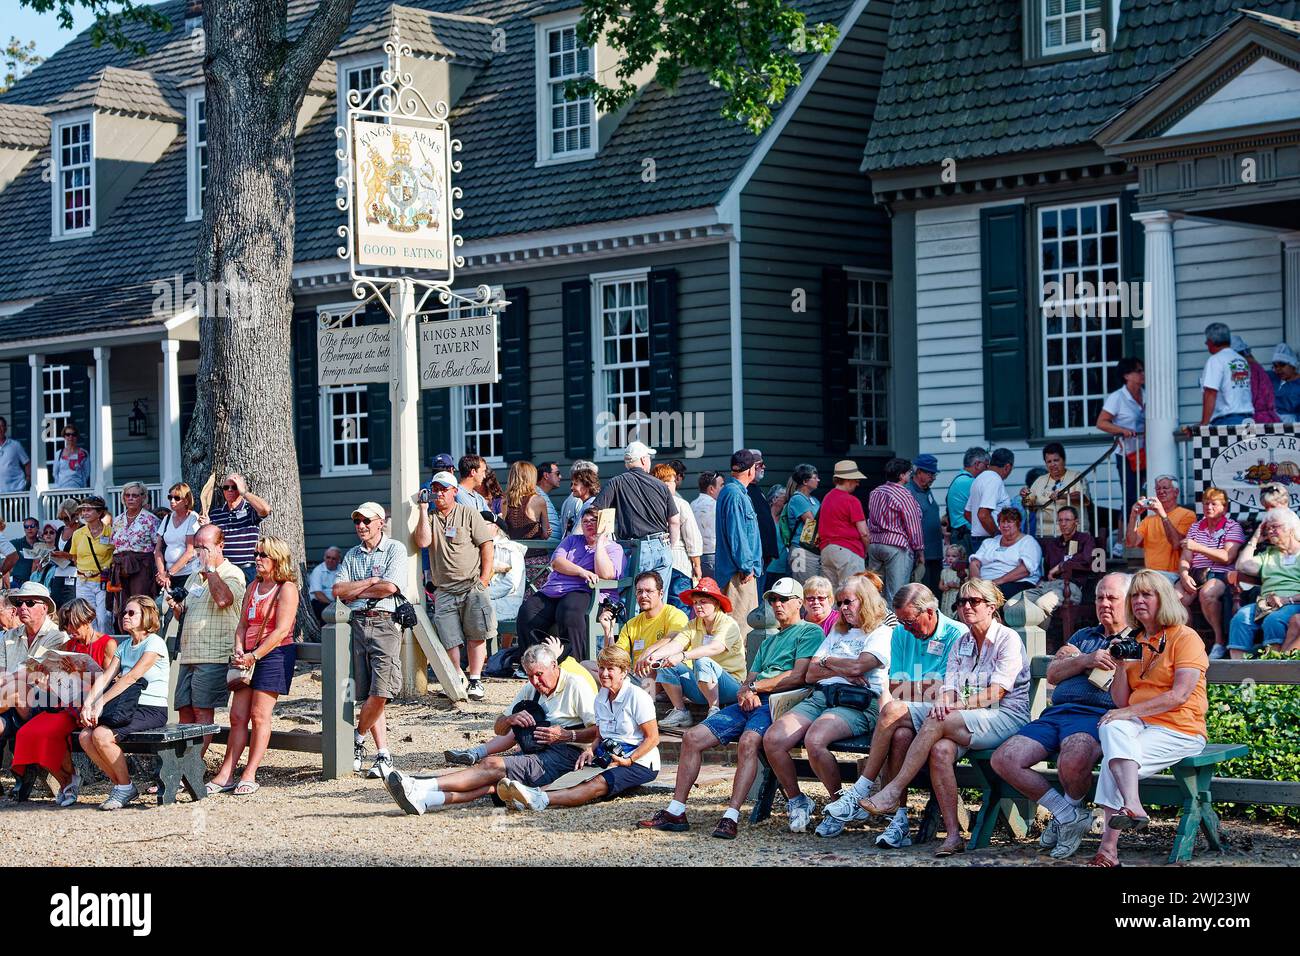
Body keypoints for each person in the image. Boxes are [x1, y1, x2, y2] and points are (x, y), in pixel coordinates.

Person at [638, 576, 822, 839]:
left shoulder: (809, 631)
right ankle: (676, 810)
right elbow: (750, 675)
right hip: (752, 699)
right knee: (692, 737)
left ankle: (731, 815)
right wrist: (747, 689)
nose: (776, 604)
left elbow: (798, 676)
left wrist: (756, 688)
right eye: (772, 599)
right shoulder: (769, 640)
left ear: (799, 603)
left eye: (783, 599)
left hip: (781, 702)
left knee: (748, 741)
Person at [860, 579, 1030, 856]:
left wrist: (953, 705)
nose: (966, 607)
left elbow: (997, 692)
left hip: (1004, 716)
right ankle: (953, 835)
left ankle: (893, 790)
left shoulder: (1006, 638)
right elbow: (949, 687)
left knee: (938, 720)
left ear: (991, 605)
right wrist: (944, 702)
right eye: (961, 602)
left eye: (973, 601)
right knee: (929, 741)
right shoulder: (962, 642)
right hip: (965, 717)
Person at [989, 572, 1132, 860]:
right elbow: (1054, 673)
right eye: (1099, 597)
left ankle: (1066, 815)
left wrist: (1073, 661)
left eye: (1112, 598)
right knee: (1003, 759)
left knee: (1075, 755)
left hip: (1096, 716)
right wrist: (1085, 660)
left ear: (1128, 601)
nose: (1104, 603)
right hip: (1055, 714)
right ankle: (1068, 815)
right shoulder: (1083, 636)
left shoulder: (1136, 642)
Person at [815, 582, 968, 842]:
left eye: (910, 622)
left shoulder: (956, 633)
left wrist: (912, 692)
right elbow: (897, 686)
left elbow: (948, 690)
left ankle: (860, 789)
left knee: (891, 711)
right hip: (911, 712)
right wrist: (915, 690)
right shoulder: (900, 633)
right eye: (902, 622)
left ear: (930, 612)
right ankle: (899, 820)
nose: (906, 628)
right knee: (899, 735)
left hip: (945, 715)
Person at [383, 644, 596, 814]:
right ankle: (427, 799)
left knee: (492, 765)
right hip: (535, 750)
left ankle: (421, 786)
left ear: (554, 667)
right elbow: (499, 728)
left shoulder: (575, 685)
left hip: (567, 753)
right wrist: (511, 718)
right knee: (494, 783)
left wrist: (568, 735)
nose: (535, 680)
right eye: (530, 675)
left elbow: (598, 729)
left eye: (539, 674)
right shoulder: (530, 688)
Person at [1087, 570, 1208, 867]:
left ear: (1163, 598)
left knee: (1115, 761)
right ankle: (1132, 806)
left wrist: (1125, 713)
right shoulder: (1135, 640)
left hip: (1181, 728)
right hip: (1142, 725)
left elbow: (1179, 695)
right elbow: (1121, 702)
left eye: (1146, 594)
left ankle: (1109, 849)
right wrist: (1119, 665)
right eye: (1135, 595)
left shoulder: (1185, 637)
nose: (1139, 600)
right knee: (1111, 724)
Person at [762, 575, 892, 833]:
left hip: (859, 701)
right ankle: (799, 800)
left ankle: (839, 806)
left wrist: (828, 662)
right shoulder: (838, 630)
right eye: (841, 602)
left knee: (815, 739)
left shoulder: (881, 632)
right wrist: (837, 667)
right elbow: (810, 673)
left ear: (864, 601)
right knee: (773, 739)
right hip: (822, 695)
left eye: (848, 602)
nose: (843, 608)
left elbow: (860, 666)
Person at [495, 645, 660, 812]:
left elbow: (653, 738)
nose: (603, 673)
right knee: (572, 778)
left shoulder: (637, 696)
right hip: (612, 755)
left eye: (610, 669)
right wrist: (590, 750)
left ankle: (540, 798)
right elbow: (600, 734)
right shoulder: (601, 697)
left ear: (624, 671)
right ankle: (529, 797)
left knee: (597, 783)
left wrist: (629, 760)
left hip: (640, 762)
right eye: (601, 668)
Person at [206, 535, 299, 796]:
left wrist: (254, 655)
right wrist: (239, 648)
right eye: (257, 554)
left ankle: (250, 772)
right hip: (247, 653)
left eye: (263, 555)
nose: (257, 559)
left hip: (274, 654)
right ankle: (226, 772)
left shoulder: (286, 589)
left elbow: (281, 631)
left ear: (276, 559)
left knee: (260, 716)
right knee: (237, 716)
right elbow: (243, 624)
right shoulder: (253, 587)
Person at [9, 598, 115, 806]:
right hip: (67, 704)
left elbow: (111, 681)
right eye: (66, 625)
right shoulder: (69, 644)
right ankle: (66, 780)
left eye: (73, 625)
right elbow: (60, 684)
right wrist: (43, 676)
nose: (69, 630)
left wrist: (79, 673)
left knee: (49, 733)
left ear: (88, 620)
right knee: (26, 733)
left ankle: (69, 782)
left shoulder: (107, 643)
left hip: (93, 706)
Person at [335, 501, 411, 775]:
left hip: (385, 622)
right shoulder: (352, 554)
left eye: (367, 521)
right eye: (357, 521)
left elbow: (390, 586)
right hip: (356, 624)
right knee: (366, 692)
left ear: (381, 522)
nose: (361, 526)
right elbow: (338, 590)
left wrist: (356, 590)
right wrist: (370, 582)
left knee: (381, 691)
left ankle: (357, 737)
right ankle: (382, 754)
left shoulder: (395, 548)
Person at [78, 595, 170, 810]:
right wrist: (88, 704)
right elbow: (105, 677)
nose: (125, 617)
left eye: (131, 613)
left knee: (101, 735)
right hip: (126, 707)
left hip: (151, 709)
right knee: (85, 736)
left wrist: (100, 703)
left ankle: (123, 787)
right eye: (124, 613)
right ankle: (123, 786)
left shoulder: (154, 642)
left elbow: (131, 677)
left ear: (146, 615)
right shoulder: (125, 645)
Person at [166, 523, 246, 756]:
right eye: (197, 546)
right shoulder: (193, 576)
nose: (200, 552)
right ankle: (180, 766)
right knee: (184, 713)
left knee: (202, 714)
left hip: (214, 655)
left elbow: (224, 600)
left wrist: (210, 571)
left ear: (221, 546)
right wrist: (177, 607)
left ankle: (190, 770)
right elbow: (187, 611)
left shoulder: (233, 573)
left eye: (205, 547)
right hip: (189, 654)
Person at [415, 473, 495, 699]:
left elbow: (486, 545)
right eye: (435, 489)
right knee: (449, 636)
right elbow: (422, 542)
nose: (439, 493)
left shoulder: (469, 514)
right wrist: (422, 509)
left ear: (454, 491)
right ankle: (457, 675)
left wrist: (484, 578)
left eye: (443, 489)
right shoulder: (429, 516)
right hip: (444, 588)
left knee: (477, 632)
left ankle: (476, 679)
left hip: (472, 585)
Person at [513, 507, 623, 663]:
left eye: (594, 520)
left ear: (603, 523)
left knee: (569, 611)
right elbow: (557, 563)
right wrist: (581, 572)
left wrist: (599, 544)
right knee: (527, 611)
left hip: (586, 591)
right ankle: (533, 663)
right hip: (554, 590)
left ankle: (574, 663)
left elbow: (605, 574)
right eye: (585, 521)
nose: (589, 524)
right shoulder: (571, 540)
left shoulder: (613, 548)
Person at [636, 577, 746, 725]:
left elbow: (715, 647)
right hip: (702, 685)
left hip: (731, 685)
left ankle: (714, 709)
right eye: (695, 602)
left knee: (702, 660)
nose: (698, 606)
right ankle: (680, 711)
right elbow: (677, 644)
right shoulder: (693, 624)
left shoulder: (728, 623)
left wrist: (682, 656)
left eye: (703, 602)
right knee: (665, 663)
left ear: (716, 603)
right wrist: (653, 656)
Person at [589, 440, 679, 599]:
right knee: (659, 600)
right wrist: (670, 547)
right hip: (661, 545)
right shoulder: (661, 485)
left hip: (637, 548)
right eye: (649, 458)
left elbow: (596, 510)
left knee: (635, 601)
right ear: (644, 460)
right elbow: (674, 521)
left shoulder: (617, 482)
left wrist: (602, 539)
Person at [0, 582, 67, 762]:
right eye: (19, 603)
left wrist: (13, 679)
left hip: (46, 703)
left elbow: (35, 674)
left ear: (44, 608)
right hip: (9, 702)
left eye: (29, 603)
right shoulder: (8, 636)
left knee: (19, 692)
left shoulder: (58, 636)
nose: (22, 607)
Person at [1176, 487, 1244, 657]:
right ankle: (1189, 642)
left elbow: (1227, 557)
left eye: (1214, 504)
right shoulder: (1195, 527)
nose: (1209, 507)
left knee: (1207, 593)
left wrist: (1198, 547)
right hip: (1195, 573)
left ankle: (1219, 641)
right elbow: (1185, 557)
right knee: (1174, 599)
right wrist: (1184, 574)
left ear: (1224, 507)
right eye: (1206, 503)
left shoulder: (1232, 527)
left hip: (1221, 574)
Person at [1227, 507, 1300, 658]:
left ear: (1290, 528)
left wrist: (1287, 600)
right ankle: (1238, 671)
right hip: (1266, 603)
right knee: (1241, 617)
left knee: (1275, 619)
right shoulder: (1268, 554)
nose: (1270, 531)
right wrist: (1254, 539)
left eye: (1275, 526)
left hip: (1293, 602)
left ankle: (1272, 670)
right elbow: (1242, 565)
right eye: (1268, 528)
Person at [1005, 505, 1096, 624]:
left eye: (1067, 520)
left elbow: (1086, 559)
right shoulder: (1054, 544)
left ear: (1076, 522)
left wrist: (1060, 567)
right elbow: (1047, 570)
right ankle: (1023, 637)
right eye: (1060, 520)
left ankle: (1039, 640)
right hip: (1047, 586)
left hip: (1070, 587)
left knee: (1042, 604)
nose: (1063, 524)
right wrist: (1041, 581)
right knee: (1011, 604)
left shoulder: (1085, 539)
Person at [714, 449, 764, 650]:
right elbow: (737, 535)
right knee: (741, 628)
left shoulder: (731, 491)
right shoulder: (735, 494)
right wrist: (746, 567)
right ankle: (738, 676)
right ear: (751, 470)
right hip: (739, 573)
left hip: (737, 570)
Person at [613, 571, 688, 687]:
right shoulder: (631, 624)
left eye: (649, 591)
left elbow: (676, 636)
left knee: (657, 663)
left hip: (668, 675)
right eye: (639, 591)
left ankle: (646, 697)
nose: (643, 595)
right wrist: (608, 630)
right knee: (588, 665)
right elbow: (616, 657)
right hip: (637, 676)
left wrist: (648, 652)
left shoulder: (675, 614)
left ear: (661, 593)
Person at [865, 457, 923, 606]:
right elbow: (913, 524)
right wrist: (919, 550)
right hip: (896, 545)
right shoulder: (904, 494)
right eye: (909, 473)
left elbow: (870, 518)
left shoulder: (875, 492)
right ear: (902, 476)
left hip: (875, 543)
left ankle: (876, 621)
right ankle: (894, 626)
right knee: (896, 592)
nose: (910, 475)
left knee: (874, 590)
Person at [107, 480, 160, 629]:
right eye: (127, 495)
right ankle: (126, 636)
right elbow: (113, 545)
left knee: (139, 602)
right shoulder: (117, 520)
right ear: (123, 498)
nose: (130, 498)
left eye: (135, 496)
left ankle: (143, 633)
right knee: (122, 604)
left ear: (143, 498)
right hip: (121, 567)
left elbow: (158, 547)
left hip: (142, 566)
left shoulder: (151, 520)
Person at [1097, 357, 1146, 511]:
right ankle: (1126, 534)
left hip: (1146, 452)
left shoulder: (1148, 394)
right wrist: (1122, 430)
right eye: (1138, 371)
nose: (1143, 373)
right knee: (1131, 497)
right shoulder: (1117, 397)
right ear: (1126, 375)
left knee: (1147, 495)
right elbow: (1101, 422)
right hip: (1127, 453)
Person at [1125, 475, 1196, 580]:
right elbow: (1131, 543)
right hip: (1150, 574)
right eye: (1158, 489)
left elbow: (1176, 544)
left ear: (1176, 492)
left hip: (1173, 574)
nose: (1161, 491)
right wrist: (1133, 515)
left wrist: (1163, 515)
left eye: (1165, 488)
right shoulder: (1148, 520)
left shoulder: (1187, 515)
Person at [653, 462, 702, 611]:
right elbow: (691, 536)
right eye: (673, 481)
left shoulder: (650, 505)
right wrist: (697, 565)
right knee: (679, 609)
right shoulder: (680, 504)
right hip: (679, 563)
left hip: (654, 564)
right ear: (667, 483)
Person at [206, 472, 271, 584]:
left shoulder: (251, 509)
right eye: (226, 487)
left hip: (247, 570)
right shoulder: (215, 513)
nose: (230, 490)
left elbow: (265, 510)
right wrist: (206, 526)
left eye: (234, 487)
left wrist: (244, 492)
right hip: (224, 569)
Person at [818, 459, 871, 592]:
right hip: (848, 550)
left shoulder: (827, 498)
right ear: (848, 480)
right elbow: (864, 532)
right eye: (856, 480)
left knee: (832, 595)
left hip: (826, 550)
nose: (858, 484)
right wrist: (866, 550)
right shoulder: (852, 501)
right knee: (853, 592)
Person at [1189, 322, 1253, 430]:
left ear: (1211, 341)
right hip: (1248, 421)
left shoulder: (1216, 360)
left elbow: (1210, 392)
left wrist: (1204, 424)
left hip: (1227, 422)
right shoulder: (1241, 360)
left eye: (1207, 340)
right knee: (1246, 447)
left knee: (1225, 447)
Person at [969, 507, 1042, 600]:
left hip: (1016, 583)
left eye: (1010, 521)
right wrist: (977, 584)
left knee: (991, 597)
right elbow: (974, 563)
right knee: (965, 596)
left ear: (1018, 524)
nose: (1005, 525)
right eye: (1002, 522)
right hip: (985, 584)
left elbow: (1025, 569)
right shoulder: (989, 542)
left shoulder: (1028, 542)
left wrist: (997, 582)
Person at [1020, 443, 1091, 537]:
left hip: (1074, 534)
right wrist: (1026, 496)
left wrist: (1062, 496)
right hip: (1044, 534)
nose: (1053, 464)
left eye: (1056, 460)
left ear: (1064, 460)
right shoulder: (1040, 480)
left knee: (1072, 552)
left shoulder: (1076, 476)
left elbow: (1082, 498)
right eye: (1049, 461)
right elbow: (1030, 506)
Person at [502, 461, 552, 592]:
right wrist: (544, 532)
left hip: (513, 560)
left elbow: (504, 530)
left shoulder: (504, 501)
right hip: (536, 562)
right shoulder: (538, 500)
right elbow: (546, 534)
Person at [68, 496, 113, 633]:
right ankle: (92, 648)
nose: (85, 513)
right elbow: (74, 557)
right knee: (87, 617)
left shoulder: (110, 532)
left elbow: (116, 555)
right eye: (83, 510)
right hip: (83, 581)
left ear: (99, 513)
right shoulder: (78, 533)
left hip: (103, 581)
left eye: (89, 510)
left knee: (103, 617)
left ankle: (108, 647)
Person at [154, 481, 201, 596]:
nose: (172, 501)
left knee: (186, 607)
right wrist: (161, 573)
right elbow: (158, 550)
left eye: (176, 498)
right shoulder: (167, 518)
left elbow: (190, 551)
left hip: (188, 573)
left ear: (186, 500)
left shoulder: (193, 518)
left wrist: (168, 574)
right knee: (167, 608)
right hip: (168, 575)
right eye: (170, 497)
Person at [777, 464, 821, 583]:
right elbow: (811, 523)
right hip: (801, 551)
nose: (818, 480)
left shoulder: (814, 500)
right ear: (805, 481)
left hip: (813, 550)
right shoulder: (797, 499)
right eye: (815, 477)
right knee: (804, 587)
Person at [907, 455, 943, 592]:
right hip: (922, 554)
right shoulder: (909, 491)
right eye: (930, 473)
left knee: (936, 590)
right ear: (919, 472)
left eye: (934, 474)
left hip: (935, 552)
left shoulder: (927, 490)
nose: (933, 477)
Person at [966, 447, 1014, 547]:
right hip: (990, 540)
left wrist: (979, 529)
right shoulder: (994, 480)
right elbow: (983, 515)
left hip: (978, 539)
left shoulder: (979, 478)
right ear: (1007, 467)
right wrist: (998, 536)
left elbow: (967, 513)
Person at [946, 447, 989, 556]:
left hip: (958, 534)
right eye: (986, 465)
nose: (988, 469)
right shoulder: (971, 482)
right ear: (977, 464)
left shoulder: (958, 479)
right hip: (966, 537)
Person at [746, 450, 780, 584]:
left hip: (763, 555)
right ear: (751, 467)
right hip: (755, 556)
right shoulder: (744, 491)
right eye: (761, 464)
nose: (764, 467)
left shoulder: (756, 489)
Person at [1233, 335, 1279, 423]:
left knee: (1251, 437)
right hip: (1267, 419)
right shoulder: (1255, 367)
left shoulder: (1247, 369)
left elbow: (1247, 397)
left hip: (1257, 421)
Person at [693, 470, 723, 581]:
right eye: (721, 485)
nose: (722, 489)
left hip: (697, 557)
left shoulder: (692, 505)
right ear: (711, 489)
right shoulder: (716, 506)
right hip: (713, 555)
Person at [559, 459, 599, 537]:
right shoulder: (588, 503)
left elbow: (577, 534)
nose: (572, 487)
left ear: (587, 485)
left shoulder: (589, 505)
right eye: (572, 484)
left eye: (575, 484)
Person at [307, 547, 344, 622]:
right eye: (328, 557)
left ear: (339, 560)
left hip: (338, 601)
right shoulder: (318, 571)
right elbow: (318, 594)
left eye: (334, 558)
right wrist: (332, 605)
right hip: (321, 603)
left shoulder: (342, 569)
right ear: (324, 558)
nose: (330, 560)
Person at [51, 424, 90, 489]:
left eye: (73, 434)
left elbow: (86, 473)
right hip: (62, 489)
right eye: (68, 434)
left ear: (77, 436)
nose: (70, 437)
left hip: (79, 489)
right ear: (64, 436)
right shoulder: (59, 454)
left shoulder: (83, 453)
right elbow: (55, 473)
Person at [535, 460, 564, 547]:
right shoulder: (536, 495)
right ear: (546, 475)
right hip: (543, 553)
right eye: (557, 473)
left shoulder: (542, 495)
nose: (560, 477)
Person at [1270, 343, 1300, 423]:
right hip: (1276, 425)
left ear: (1293, 365)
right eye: (1275, 366)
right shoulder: (1274, 380)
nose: (1278, 369)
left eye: (1282, 365)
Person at [0, 416, 30, 492]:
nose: (0, 429)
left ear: (5, 428)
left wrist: (28, 479)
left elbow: (27, 463)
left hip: (16, 490)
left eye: (1, 426)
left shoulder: (15, 445)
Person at [7, 517, 39, 586]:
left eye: (32, 526)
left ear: (37, 528)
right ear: (24, 529)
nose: (29, 528)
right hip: (16, 582)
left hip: (34, 583)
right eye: (26, 526)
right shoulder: (16, 543)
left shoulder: (42, 545)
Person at [938, 544, 967, 619]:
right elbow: (940, 585)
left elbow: (965, 586)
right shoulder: (944, 571)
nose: (950, 558)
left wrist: (955, 586)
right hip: (947, 597)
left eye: (954, 556)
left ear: (960, 557)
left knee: (955, 614)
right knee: (946, 614)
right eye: (948, 556)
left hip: (955, 597)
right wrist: (944, 587)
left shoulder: (963, 571)